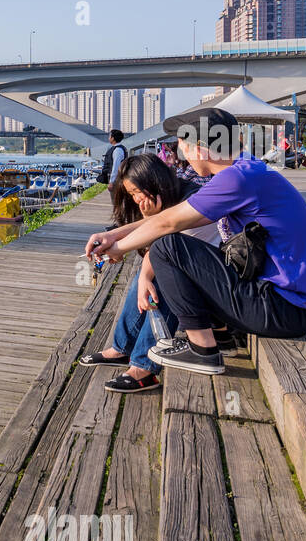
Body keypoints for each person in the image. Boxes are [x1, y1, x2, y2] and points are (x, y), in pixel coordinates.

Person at [85, 106, 306, 377]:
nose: (180, 154)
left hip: (281, 309)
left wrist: (116, 249)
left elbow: (168, 223)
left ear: (199, 148)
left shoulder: (237, 179)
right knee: (172, 248)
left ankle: (202, 350)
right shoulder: (244, 170)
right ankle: (218, 339)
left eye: (182, 145)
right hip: (284, 305)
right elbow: (174, 215)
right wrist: (114, 235)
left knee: (168, 247)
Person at [78, 154, 221, 393]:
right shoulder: (169, 198)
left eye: (137, 191)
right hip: (196, 273)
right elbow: (156, 250)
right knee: (148, 277)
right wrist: (117, 238)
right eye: (131, 194)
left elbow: (169, 250)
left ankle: (144, 367)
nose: (135, 199)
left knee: (162, 280)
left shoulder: (192, 199)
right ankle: (122, 348)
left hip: (215, 285)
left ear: (152, 181)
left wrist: (146, 227)